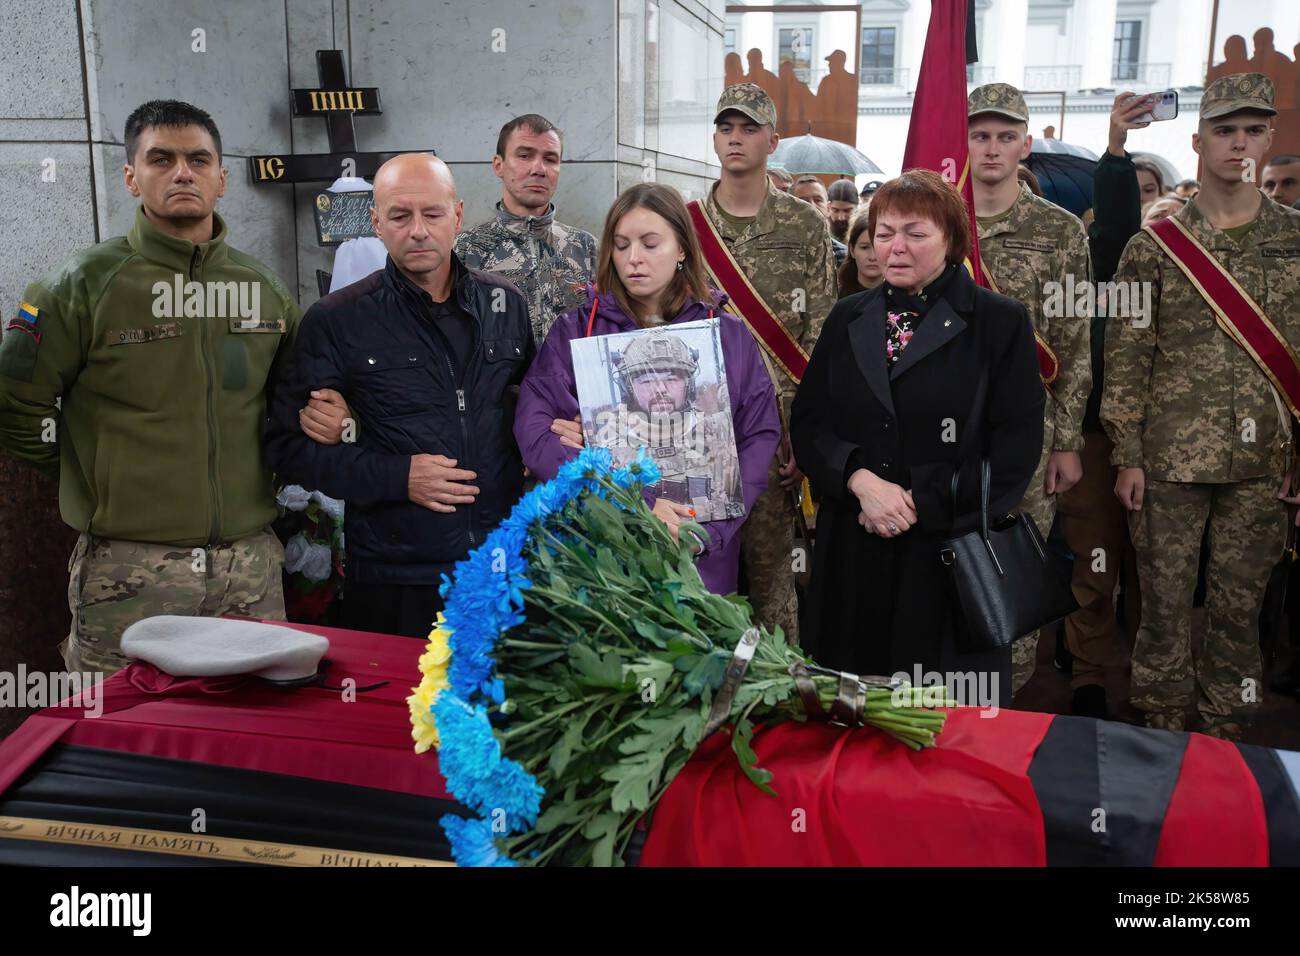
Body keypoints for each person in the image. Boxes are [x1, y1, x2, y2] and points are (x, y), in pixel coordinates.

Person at [0, 100, 300, 676]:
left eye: (198, 159)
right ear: (132, 178)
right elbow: (17, 408)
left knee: (253, 740)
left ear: (222, 178)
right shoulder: (78, 286)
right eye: (161, 159)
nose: (182, 172)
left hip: (251, 567)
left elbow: (290, 408)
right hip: (128, 571)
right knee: (118, 744)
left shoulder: (264, 290)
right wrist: (94, 476)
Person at [791, 169, 1043, 701]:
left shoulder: (999, 323)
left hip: (947, 559)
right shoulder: (847, 317)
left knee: (941, 730)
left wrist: (916, 505)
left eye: (915, 233)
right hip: (854, 554)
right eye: (884, 233)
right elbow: (811, 423)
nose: (895, 248)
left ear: (951, 240)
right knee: (852, 719)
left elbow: (1015, 450)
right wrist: (860, 480)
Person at [1103, 73, 1300, 738]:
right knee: (1160, 606)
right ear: (1198, 140)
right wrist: (1126, 454)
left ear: (1270, 137)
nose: (1238, 142)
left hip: (1265, 464)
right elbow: (1127, 357)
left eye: (1251, 129)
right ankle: (1159, 728)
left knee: (1239, 610)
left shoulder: (1296, 240)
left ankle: (1230, 735)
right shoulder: (1151, 248)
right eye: (1224, 130)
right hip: (1167, 462)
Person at [265, 154, 535, 638]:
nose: (417, 231)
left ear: (457, 215)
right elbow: (289, 448)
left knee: (500, 709)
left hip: (499, 568)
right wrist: (397, 476)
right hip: (396, 578)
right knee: (397, 711)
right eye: (399, 216)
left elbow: (529, 414)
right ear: (376, 223)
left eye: (432, 214)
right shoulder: (337, 319)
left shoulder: (506, 304)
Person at [514, 183, 780, 595]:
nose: (633, 258)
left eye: (650, 243)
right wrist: (622, 505)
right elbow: (536, 431)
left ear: (682, 250)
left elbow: (758, 434)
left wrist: (709, 529)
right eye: (621, 246)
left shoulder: (725, 335)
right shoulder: (575, 332)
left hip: (699, 552)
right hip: (604, 549)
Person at [692, 83, 838, 643]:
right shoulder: (686, 223)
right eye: (727, 127)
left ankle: (783, 694)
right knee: (702, 573)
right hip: (700, 426)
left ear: (772, 140)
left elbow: (823, 336)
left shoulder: (804, 224)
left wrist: (807, 431)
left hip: (776, 427)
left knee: (775, 576)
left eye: (749, 128)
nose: (736, 137)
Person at [968, 82, 1093, 696]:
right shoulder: (936, 223)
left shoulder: (1060, 232)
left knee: (1013, 568)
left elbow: (1072, 343)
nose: (992, 148)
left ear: (1025, 143)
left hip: (1027, 434)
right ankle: (944, 705)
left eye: (1005, 136)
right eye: (980, 135)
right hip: (942, 430)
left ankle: (1005, 701)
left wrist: (1067, 439)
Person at [1055, 90, 1154, 718]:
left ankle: (1151, 682)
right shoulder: (1073, 277)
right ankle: (1090, 675)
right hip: (1090, 437)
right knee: (1093, 563)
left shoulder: (1146, 265)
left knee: (1153, 571)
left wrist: (1117, 151)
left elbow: (1123, 221)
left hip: (1158, 438)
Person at [455, 114, 597, 345]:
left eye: (550, 159)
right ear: (498, 165)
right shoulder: (466, 248)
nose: (539, 169)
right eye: (524, 156)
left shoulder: (586, 247)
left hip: (569, 379)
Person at [591, 332, 741, 522]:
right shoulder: (607, 449)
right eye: (647, 380)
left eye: (672, 378)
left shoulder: (719, 430)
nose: (660, 389)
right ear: (627, 388)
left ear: (689, 384)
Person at [792, 176, 848, 267]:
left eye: (818, 200)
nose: (812, 206)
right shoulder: (779, 255)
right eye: (803, 201)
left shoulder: (845, 257)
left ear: (829, 208)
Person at [836, 211, 883, 298]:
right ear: (852, 250)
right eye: (864, 248)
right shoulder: (833, 295)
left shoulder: (904, 296)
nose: (872, 257)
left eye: (879, 248)